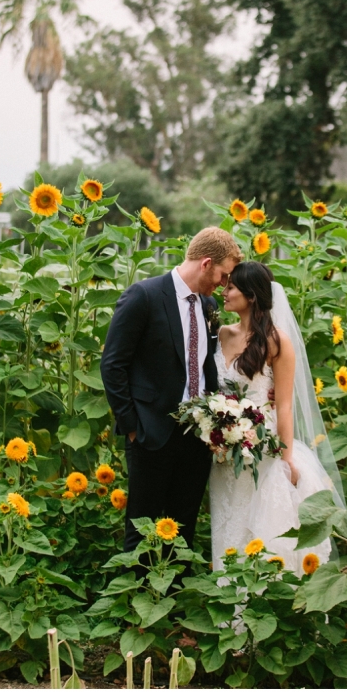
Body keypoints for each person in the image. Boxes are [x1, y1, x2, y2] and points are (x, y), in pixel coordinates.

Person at [100, 227, 242, 551]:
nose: (224, 284)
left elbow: (206, 364)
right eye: (223, 275)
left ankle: (175, 598)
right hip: (152, 433)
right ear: (206, 263)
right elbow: (112, 365)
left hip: (197, 438)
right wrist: (133, 428)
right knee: (142, 530)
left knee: (183, 530)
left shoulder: (207, 307)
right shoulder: (144, 296)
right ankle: (138, 597)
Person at [209, 260, 344, 577]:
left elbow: (284, 405)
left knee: (263, 530)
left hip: (262, 447)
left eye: (231, 287)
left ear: (251, 296)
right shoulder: (223, 334)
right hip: (224, 452)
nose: (224, 292)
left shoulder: (277, 340)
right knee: (227, 523)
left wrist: (286, 459)